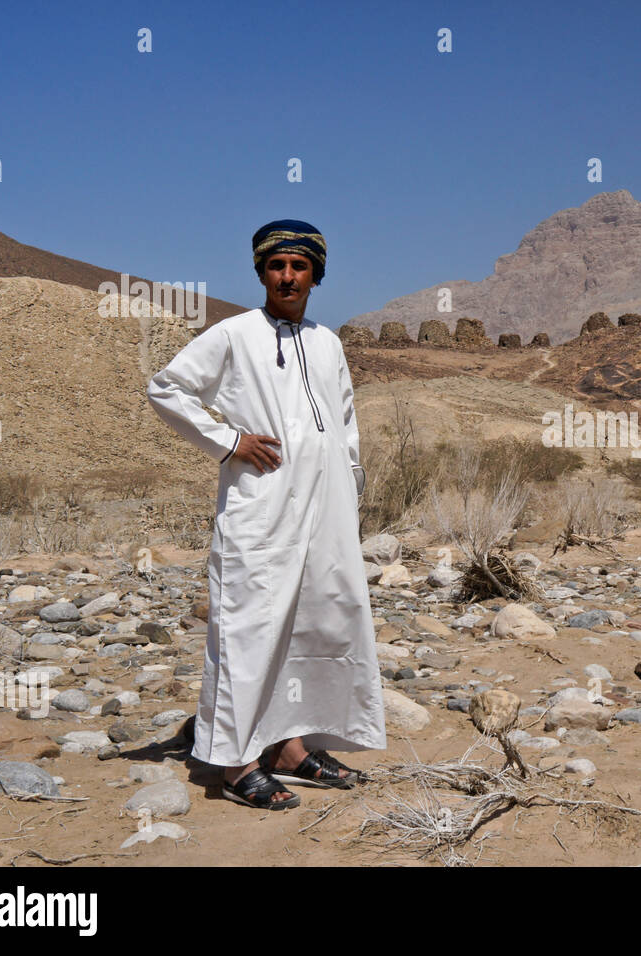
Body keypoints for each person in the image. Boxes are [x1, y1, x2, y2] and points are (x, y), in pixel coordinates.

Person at [147, 219, 386, 810]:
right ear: (261, 272)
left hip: (326, 512)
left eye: (299, 266)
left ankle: (291, 747)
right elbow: (167, 389)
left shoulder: (328, 342)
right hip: (263, 508)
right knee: (251, 626)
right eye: (277, 266)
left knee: (315, 620)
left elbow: (347, 422)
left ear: (315, 275)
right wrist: (228, 442)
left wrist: (349, 488)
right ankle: (235, 762)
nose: (287, 276)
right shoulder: (233, 334)